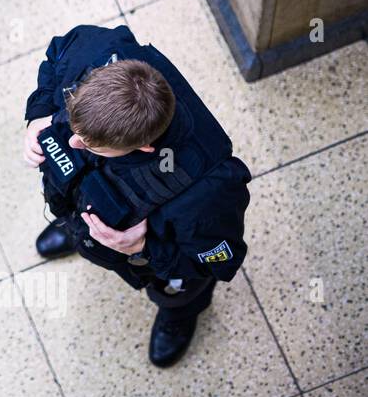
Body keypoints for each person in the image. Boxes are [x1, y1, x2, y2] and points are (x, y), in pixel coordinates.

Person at [22, 23, 252, 367]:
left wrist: (143, 248)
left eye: (88, 144)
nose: (71, 142)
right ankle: (75, 227)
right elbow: (58, 53)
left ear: (143, 147)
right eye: (72, 125)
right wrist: (38, 115)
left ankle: (179, 314)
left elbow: (220, 260)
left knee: (182, 289)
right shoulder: (97, 52)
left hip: (158, 262)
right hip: (81, 199)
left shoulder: (205, 191)